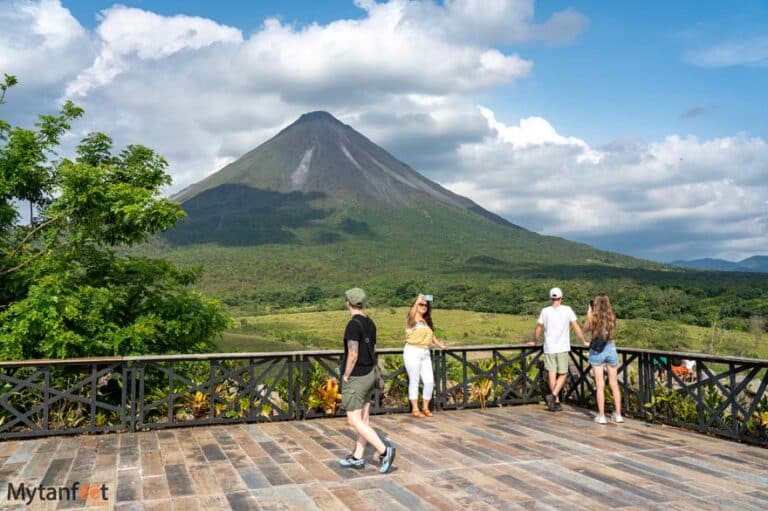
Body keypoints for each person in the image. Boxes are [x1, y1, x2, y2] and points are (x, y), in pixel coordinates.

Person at [338, 287, 396, 473]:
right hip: (371, 373)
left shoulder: (353, 325)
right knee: (364, 418)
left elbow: (353, 354)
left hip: (358, 376)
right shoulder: (370, 323)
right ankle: (357, 456)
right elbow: (374, 348)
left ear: (348, 303)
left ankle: (384, 450)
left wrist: (346, 375)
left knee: (353, 420)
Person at [532, 287, 588, 412]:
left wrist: (534, 341)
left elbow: (538, 328)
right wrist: (583, 341)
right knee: (563, 373)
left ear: (551, 298)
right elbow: (576, 327)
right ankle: (553, 396)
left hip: (548, 347)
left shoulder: (545, 311)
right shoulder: (567, 310)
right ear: (561, 298)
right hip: (562, 347)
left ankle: (555, 401)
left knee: (552, 373)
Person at [404, 294, 447, 418]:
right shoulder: (411, 320)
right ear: (415, 306)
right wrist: (417, 300)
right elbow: (412, 315)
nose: (424, 307)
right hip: (413, 351)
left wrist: (440, 345)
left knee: (429, 381)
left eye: (425, 305)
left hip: (425, 352)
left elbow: (432, 337)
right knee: (415, 380)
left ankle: (425, 407)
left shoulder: (426, 321)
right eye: (421, 305)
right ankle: (415, 409)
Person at [584, 292, 623, 424]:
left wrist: (588, 313)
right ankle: (618, 414)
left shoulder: (592, 316)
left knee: (600, 385)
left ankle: (601, 415)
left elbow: (586, 329)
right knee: (614, 384)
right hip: (611, 348)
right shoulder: (612, 316)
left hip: (597, 351)